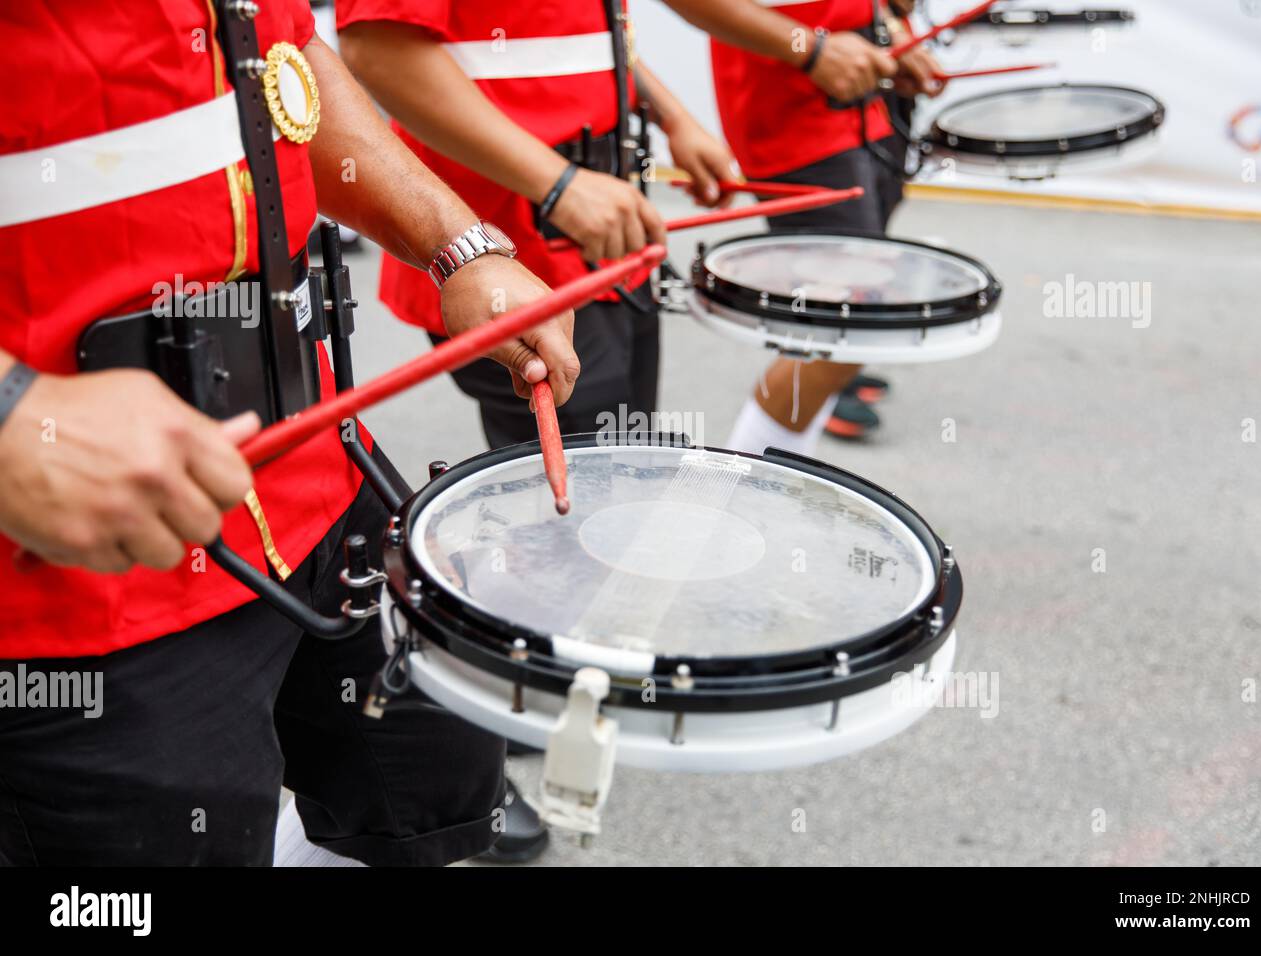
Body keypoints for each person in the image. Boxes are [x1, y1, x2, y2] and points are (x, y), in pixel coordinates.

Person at [0, 0, 579, 866]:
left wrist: (460, 246)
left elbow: (284, 58)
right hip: (76, 572)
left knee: (433, 781)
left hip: (314, 465)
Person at [336, 0, 736, 449]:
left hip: (606, 237)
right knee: (582, 491)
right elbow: (377, 48)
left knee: (628, 458)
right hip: (509, 253)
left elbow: (587, 34)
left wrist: (671, 116)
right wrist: (559, 185)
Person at [666, 0, 946, 453]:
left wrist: (887, 23)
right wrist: (811, 51)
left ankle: (818, 401)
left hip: (865, 93)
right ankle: (739, 493)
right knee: (848, 324)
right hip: (794, 106)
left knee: (850, 311)